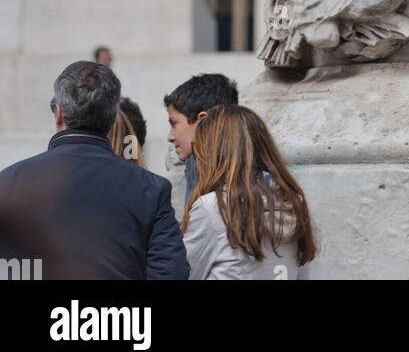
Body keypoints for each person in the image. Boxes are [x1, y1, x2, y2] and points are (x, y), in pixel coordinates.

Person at [0, 60, 188, 280]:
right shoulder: (151, 189)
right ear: (111, 119)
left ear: (59, 113)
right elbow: (170, 274)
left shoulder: (8, 184)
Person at [181, 105, 316, 279]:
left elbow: (183, 272)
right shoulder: (292, 201)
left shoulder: (212, 208)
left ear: (212, 154)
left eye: (198, 149)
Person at [164, 72, 238, 204]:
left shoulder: (236, 177)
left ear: (203, 121)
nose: (170, 137)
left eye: (174, 123)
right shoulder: (193, 162)